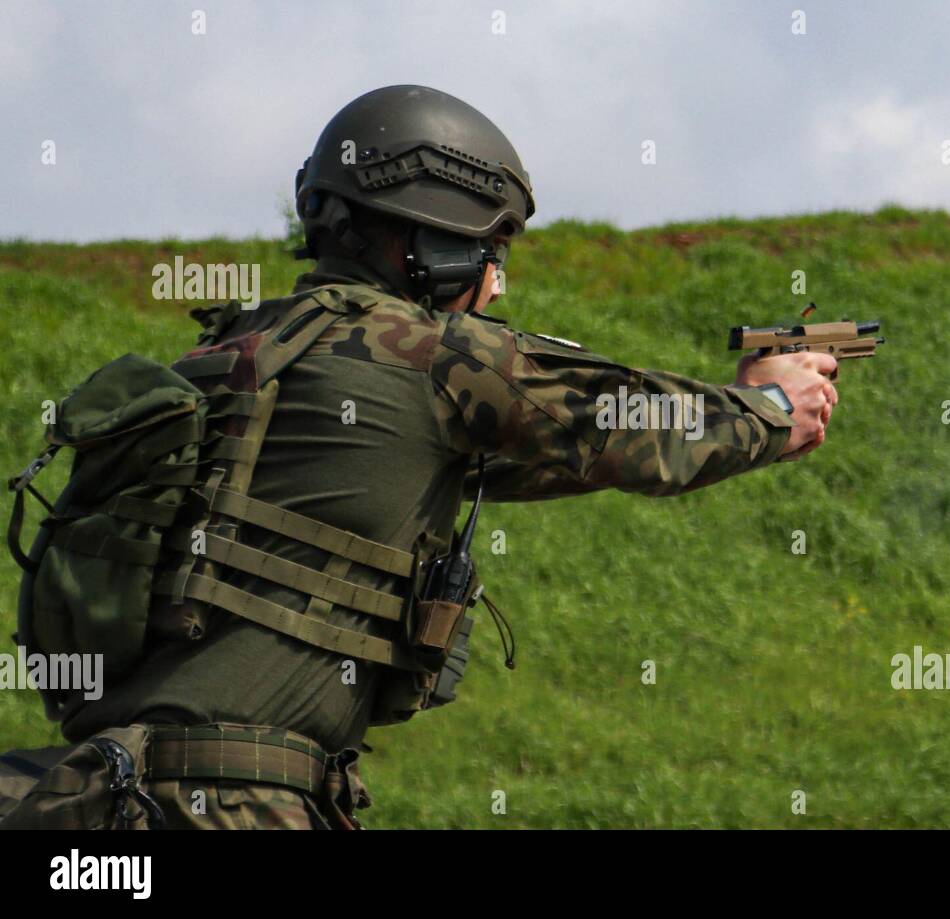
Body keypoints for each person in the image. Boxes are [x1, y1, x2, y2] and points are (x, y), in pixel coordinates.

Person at [0, 85, 837, 829]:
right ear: (431, 243)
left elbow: (540, 459)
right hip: (237, 800)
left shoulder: (244, 355)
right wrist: (768, 408)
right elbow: (628, 424)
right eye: (491, 253)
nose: (498, 284)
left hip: (102, 797)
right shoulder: (426, 354)